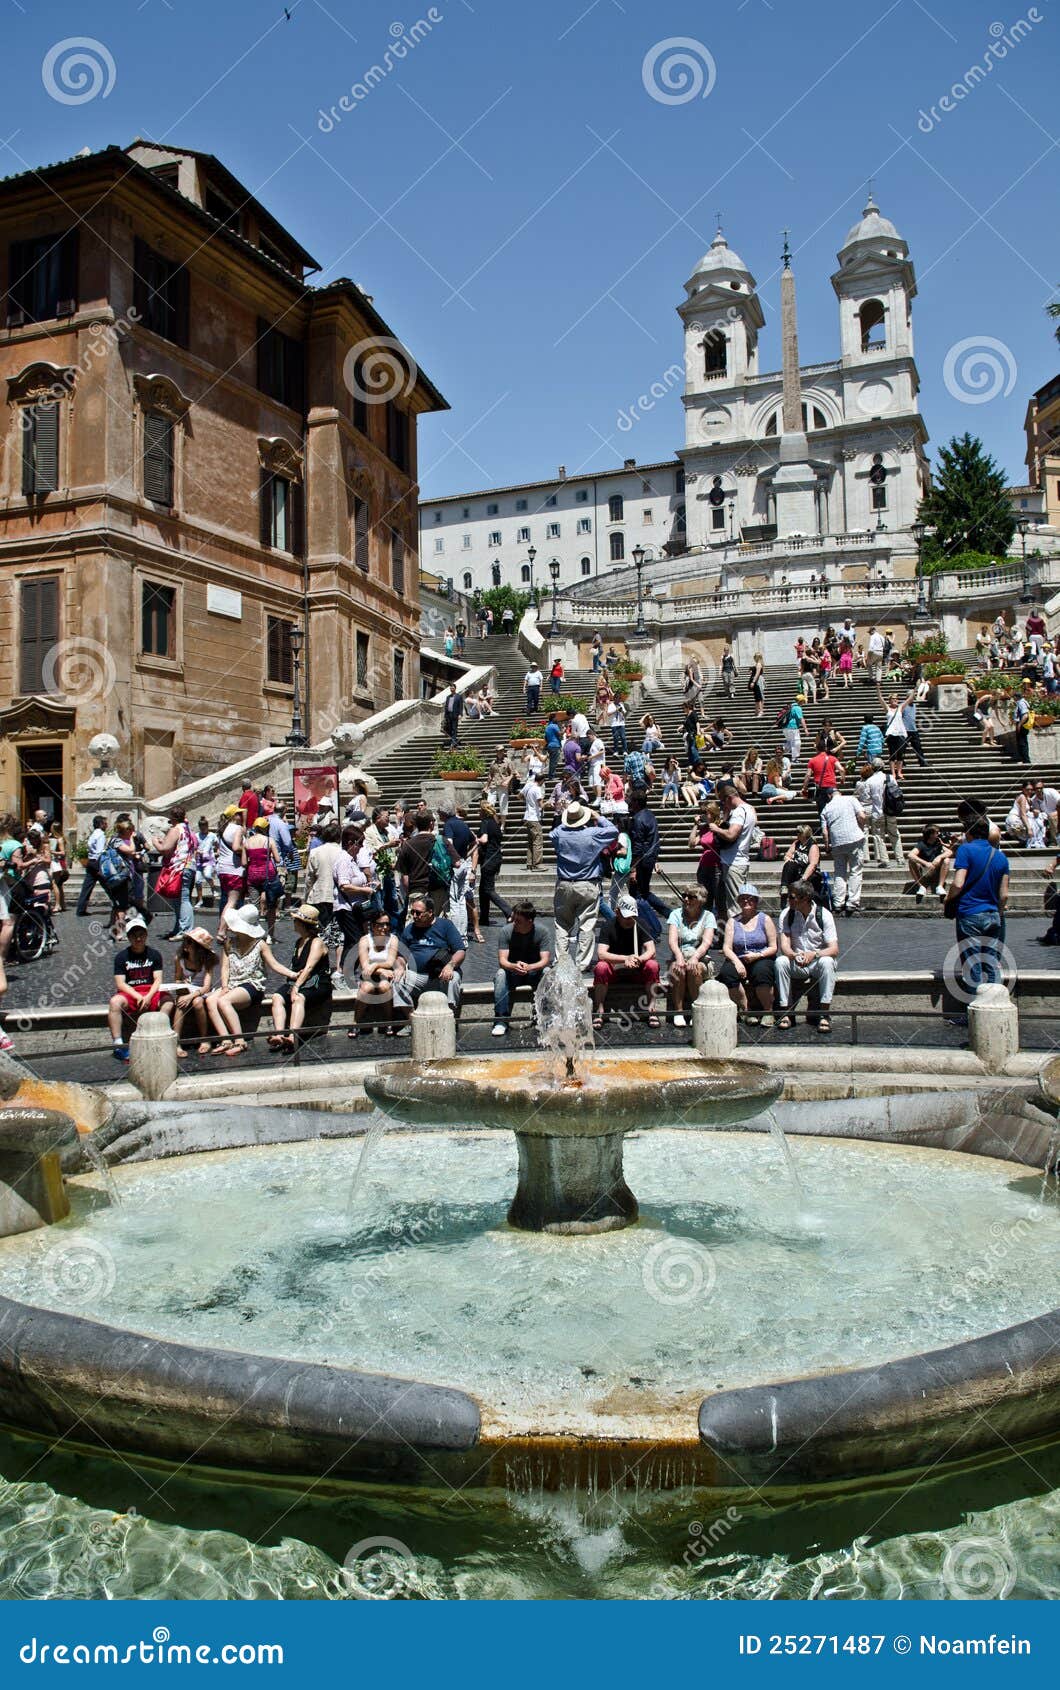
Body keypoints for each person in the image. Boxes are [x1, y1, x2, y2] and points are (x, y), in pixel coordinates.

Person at [207, 902, 291, 1056]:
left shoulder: (261, 945)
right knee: (210, 1000)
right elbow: (225, 968)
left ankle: (240, 1041)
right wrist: (224, 986)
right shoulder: (229, 943)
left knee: (223, 1001)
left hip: (252, 985)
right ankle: (225, 1039)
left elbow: (274, 964)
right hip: (232, 984)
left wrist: (291, 974)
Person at [551, 802, 619, 972]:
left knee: (562, 925)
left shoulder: (560, 833)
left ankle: (561, 961)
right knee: (587, 925)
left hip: (564, 883)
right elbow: (613, 831)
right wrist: (598, 816)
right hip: (588, 884)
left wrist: (566, 818)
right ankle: (582, 964)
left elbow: (552, 833)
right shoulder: (592, 834)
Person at [948, 814, 1010, 997]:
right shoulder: (1001, 857)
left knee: (972, 965)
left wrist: (948, 900)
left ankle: (972, 1009)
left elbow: (958, 883)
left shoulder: (965, 850)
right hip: (993, 915)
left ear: (969, 833)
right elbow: (1004, 895)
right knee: (992, 962)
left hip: (970, 914)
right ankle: (995, 1005)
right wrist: (997, 913)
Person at [775, 880, 839, 1034]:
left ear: (805, 898)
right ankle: (786, 1012)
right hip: (797, 961)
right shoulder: (787, 914)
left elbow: (834, 949)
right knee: (780, 961)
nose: (787, 900)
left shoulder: (824, 915)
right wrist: (794, 955)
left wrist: (814, 954)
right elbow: (784, 946)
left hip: (817, 962)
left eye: (791, 897)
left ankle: (824, 1014)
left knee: (827, 962)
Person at [266, 904, 334, 1050]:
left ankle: (292, 1036)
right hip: (299, 980)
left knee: (299, 998)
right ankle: (279, 1035)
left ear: (303, 924)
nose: (293, 923)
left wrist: (296, 987)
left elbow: (310, 967)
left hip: (317, 982)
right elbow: (298, 968)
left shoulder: (317, 942)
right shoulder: (299, 942)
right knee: (277, 997)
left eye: (295, 920)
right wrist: (294, 978)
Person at [107, 914, 172, 1062]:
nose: (138, 938)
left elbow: (158, 980)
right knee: (114, 1003)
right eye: (134, 935)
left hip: (150, 990)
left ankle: (160, 1034)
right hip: (130, 991)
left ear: (146, 935)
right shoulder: (121, 957)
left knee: (168, 1001)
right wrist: (137, 996)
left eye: (141, 934)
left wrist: (148, 996)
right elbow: (120, 983)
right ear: (128, 937)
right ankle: (118, 1044)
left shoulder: (154, 955)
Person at [592, 893, 661, 1029]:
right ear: (617, 912)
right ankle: (599, 1009)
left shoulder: (641, 923)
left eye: (632, 916)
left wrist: (638, 959)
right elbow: (601, 953)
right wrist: (626, 958)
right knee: (601, 967)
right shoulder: (608, 925)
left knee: (653, 965)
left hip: (636, 968)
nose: (629, 920)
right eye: (626, 916)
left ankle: (652, 1008)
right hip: (615, 969)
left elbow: (651, 950)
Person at [394, 895, 466, 1019]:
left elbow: (460, 951)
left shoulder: (445, 925)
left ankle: (449, 1018)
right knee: (396, 981)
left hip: (441, 974)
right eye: (412, 912)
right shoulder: (409, 929)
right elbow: (401, 955)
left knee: (454, 979)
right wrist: (400, 967)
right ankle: (412, 1020)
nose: (414, 916)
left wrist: (451, 965)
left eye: (418, 913)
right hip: (417, 975)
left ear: (430, 912)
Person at [715, 884, 777, 1024]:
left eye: (750, 899)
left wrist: (757, 955)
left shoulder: (765, 919)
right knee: (728, 973)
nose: (746, 902)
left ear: (756, 901)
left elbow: (773, 947)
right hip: (739, 957)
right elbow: (727, 947)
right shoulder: (733, 921)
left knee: (762, 972)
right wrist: (737, 962)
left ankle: (768, 1010)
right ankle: (746, 1009)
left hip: (761, 956)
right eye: (742, 899)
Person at [492, 901, 551, 1036]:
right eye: (513, 919)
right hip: (512, 973)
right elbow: (502, 961)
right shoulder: (506, 931)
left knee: (547, 972)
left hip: (534, 972)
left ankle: (544, 1017)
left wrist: (530, 967)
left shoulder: (542, 932)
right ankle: (501, 1020)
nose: (513, 922)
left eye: (518, 920)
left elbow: (545, 960)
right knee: (500, 974)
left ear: (529, 921)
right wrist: (513, 966)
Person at [666, 886, 716, 1028]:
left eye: (691, 897)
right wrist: (678, 956)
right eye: (684, 895)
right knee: (678, 969)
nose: (686, 899)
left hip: (700, 957)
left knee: (695, 969)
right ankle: (678, 1011)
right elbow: (672, 940)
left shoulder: (708, 916)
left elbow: (706, 942)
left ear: (700, 901)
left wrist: (695, 957)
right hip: (679, 955)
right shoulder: (676, 914)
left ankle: (697, 1010)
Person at [351, 910, 407, 1036]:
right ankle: (355, 1022)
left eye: (387, 924)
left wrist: (376, 965)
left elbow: (390, 961)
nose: (385, 927)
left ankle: (388, 1021)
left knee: (385, 987)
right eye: (381, 924)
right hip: (368, 975)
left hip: (386, 975)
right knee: (366, 988)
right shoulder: (365, 940)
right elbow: (365, 966)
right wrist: (381, 969)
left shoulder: (393, 939)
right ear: (373, 925)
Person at [333, 822, 376, 970]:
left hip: (355, 907)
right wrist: (365, 891)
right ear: (350, 843)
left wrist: (369, 886)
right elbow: (344, 886)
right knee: (356, 941)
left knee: (355, 941)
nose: (361, 847)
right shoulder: (344, 860)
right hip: (346, 908)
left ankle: (346, 971)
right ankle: (345, 972)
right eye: (360, 844)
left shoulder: (352, 860)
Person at [820, 782, 866, 916]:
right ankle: (852, 903)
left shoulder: (826, 808)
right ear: (838, 792)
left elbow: (824, 831)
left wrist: (827, 846)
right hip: (854, 839)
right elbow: (862, 816)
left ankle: (838, 903)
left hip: (837, 842)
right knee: (855, 871)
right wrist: (861, 828)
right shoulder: (851, 799)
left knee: (839, 873)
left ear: (829, 796)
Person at [151, 806, 198, 940]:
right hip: (189, 866)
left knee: (183, 899)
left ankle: (186, 930)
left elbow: (165, 849)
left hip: (180, 867)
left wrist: (156, 843)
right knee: (179, 899)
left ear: (172, 818)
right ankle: (179, 928)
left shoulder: (176, 829)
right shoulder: (188, 829)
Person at [172, 927, 217, 1057]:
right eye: (186, 940)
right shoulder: (179, 959)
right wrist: (181, 985)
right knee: (181, 1003)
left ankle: (204, 1039)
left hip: (202, 991)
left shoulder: (207, 960)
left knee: (197, 1002)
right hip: (187, 990)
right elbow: (177, 978)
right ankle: (176, 1042)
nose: (186, 944)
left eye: (190, 942)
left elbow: (206, 986)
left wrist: (190, 996)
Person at [713, 782, 757, 918]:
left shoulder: (738, 812)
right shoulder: (750, 808)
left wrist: (716, 829)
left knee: (736, 904)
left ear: (728, 798)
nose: (724, 806)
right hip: (741, 859)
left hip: (734, 861)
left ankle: (738, 935)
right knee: (739, 900)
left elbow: (731, 835)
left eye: (723, 802)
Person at [627, 791, 668, 919]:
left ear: (636, 803)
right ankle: (669, 914)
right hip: (649, 859)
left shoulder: (638, 819)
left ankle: (651, 925)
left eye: (631, 801)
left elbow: (638, 845)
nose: (630, 803)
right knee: (644, 893)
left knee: (637, 894)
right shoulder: (650, 815)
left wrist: (633, 869)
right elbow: (654, 839)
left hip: (641, 861)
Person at [856, 757, 902, 868]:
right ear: (882, 766)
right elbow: (897, 792)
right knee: (894, 834)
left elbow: (867, 798)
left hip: (877, 812)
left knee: (879, 836)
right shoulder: (890, 777)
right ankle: (900, 859)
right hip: (890, 810)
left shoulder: (869, 781)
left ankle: (885, 860)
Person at [244, 816, 285, 938]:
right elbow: (278, 859)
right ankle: (270, 936)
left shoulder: (247, 842)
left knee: (254, 905)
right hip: (268, 875)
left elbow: (244, 863)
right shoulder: (269, 840)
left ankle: (253, 934)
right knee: (271, 906)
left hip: (253, 875)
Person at [476, 801, 512, 928]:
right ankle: (484, 918)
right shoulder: (495, 823)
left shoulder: (485, 822)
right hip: (496, 859)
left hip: (488, 860)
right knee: (482, 890)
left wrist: (476, 839)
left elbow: (484, 840)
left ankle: (509, 912)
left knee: (488, 889)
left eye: (479, 811)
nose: (478, 813)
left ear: (483, 812)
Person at [215, 805, 246, 938]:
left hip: (222, 868)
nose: (241, 816)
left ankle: (226, 926)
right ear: (234, 816)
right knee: (232, 902)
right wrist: (246, 848)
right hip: (234, 869)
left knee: (227, 899)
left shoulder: (223, 828)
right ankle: (222, 930)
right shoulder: (237, 828)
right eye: (239, 814)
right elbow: (236, 847)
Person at [907, 823, 953, 902]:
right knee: (911, 861)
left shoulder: (938, 842)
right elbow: (910, 855)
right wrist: (925, 863)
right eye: (937, 832)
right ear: (931, 835)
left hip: (936, 870)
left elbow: (949, 852)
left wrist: (940, 857)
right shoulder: (921, 844)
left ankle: (940, 887)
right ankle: (921, 886)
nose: (939, 834)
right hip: (926, 870)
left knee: (946, 860)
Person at [76, 814, 108, 917]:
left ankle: (80, 909)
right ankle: (118, 904)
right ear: (101, 824)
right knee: (109, 885)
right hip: (97, 863)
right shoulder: (101, 835)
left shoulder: (93, 834)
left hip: (91, 862)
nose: (106, 825)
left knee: (87, 887)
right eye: (105, 823)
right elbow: (100, 851)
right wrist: (100, 867)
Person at [803, 732, 841, 816]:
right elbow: (841, 769)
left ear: (817, 749)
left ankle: (824, 827)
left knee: (822, 810)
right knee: (833, 809)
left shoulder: (812, 760)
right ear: (825, 748)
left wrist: (804, 787)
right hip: (831, 787)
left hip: (820, 788)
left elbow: (808, 775)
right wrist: (842, 779)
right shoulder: (832, 758)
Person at [781, 823, 821, 896]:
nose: (797, 834)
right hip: (797, 869)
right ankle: (784, 887)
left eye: (799, 833)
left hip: (809, 873)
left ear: (804, 834)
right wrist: (788, 859)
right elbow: (787, 855)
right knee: (789, 864)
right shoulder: (796, 843)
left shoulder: (813, 846)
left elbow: (813, 865)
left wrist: (803, 879)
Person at [194, 815, 219, 909]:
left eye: (204, 828)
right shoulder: (196, 836)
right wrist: (197, 852)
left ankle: (213, 889)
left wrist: (217, 851)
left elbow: (217, 845)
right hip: (199, 861)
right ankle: (200, 900)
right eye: (201, 828)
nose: (203, 829)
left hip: (208, 860)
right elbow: (194, 848)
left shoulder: (212, 835)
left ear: (207, 827)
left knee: (208, 875)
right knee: (197, 881)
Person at [523, 768, 545, 868]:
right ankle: (537, 863)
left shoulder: (529, 787)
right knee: (537, 841)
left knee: (530, 841)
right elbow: (541, 805)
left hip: (527, 817)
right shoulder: (537, 789)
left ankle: (529, 863)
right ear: (541, 780)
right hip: (534, 818)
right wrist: (548, 803)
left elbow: (519, 795)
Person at [487, 747, 515, 820]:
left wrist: (507, 781)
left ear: (503, 752)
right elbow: (490, 775)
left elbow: (512, 773)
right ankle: (496, 821)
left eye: (500, 751)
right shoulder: (493, 762)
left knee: (503, 805)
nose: (499, 753)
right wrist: (486, 786)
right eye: (497, 751)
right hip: (493, 785)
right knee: (489, 805)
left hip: (503, 785)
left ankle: (502, 825)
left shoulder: (508, 761)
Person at [1012, 681, 1033, 764]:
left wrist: (1019, 724)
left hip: (1022, 724)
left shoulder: (1021, 703)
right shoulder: (1024, 702)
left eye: (1014, 697)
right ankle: (1025, 759)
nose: (1014, 699)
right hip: (1024, 724)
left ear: (1017, 697)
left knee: (1022, 742)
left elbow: (1025, 715)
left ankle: (1025, 760)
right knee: (1023, 741)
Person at [780, 694, 804, 766]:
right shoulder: (797, 708)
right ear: (801, 701)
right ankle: (794, 758)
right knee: (797, 742)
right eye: (803, 701)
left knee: (790, 742)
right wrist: (805, 729)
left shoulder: (790, 706)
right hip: (792, 727)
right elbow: (801, 718)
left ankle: (780, 750)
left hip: (785, 727)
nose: (804, 703)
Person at [442, 681, 463, 747]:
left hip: (455, 714)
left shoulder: (458, 696)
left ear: (455, 688)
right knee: (450, 728)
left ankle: (453, 741)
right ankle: (452, 739)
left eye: (452, 688)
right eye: (450, 688)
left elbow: (460, 706)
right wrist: (445, 715)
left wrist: (460, 714)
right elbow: (446, 706)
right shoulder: (448, 697)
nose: (451, 689)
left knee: (454, 728)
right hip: (449, 715)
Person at [544, 713, 564, 780]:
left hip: (550, 745)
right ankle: (551, 776)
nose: (557, 719)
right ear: (553, 718)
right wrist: (564, 729)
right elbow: (560, 734)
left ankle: (551, 775)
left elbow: (546, 738)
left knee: (552, 761)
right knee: (554, 762)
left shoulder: (547, 727)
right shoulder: (554, 726)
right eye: (556, 718)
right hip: (555, 745)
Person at [747, 651, 765, 719]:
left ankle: (760, 711)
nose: (754, 658)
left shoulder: (758, 664)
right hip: (757, 680)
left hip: (758, 681)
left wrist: (753, 682)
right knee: (757, 696)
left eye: (755, 657)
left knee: (759, 696)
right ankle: (757, 711)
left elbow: (757, 674)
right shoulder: (758, 664)